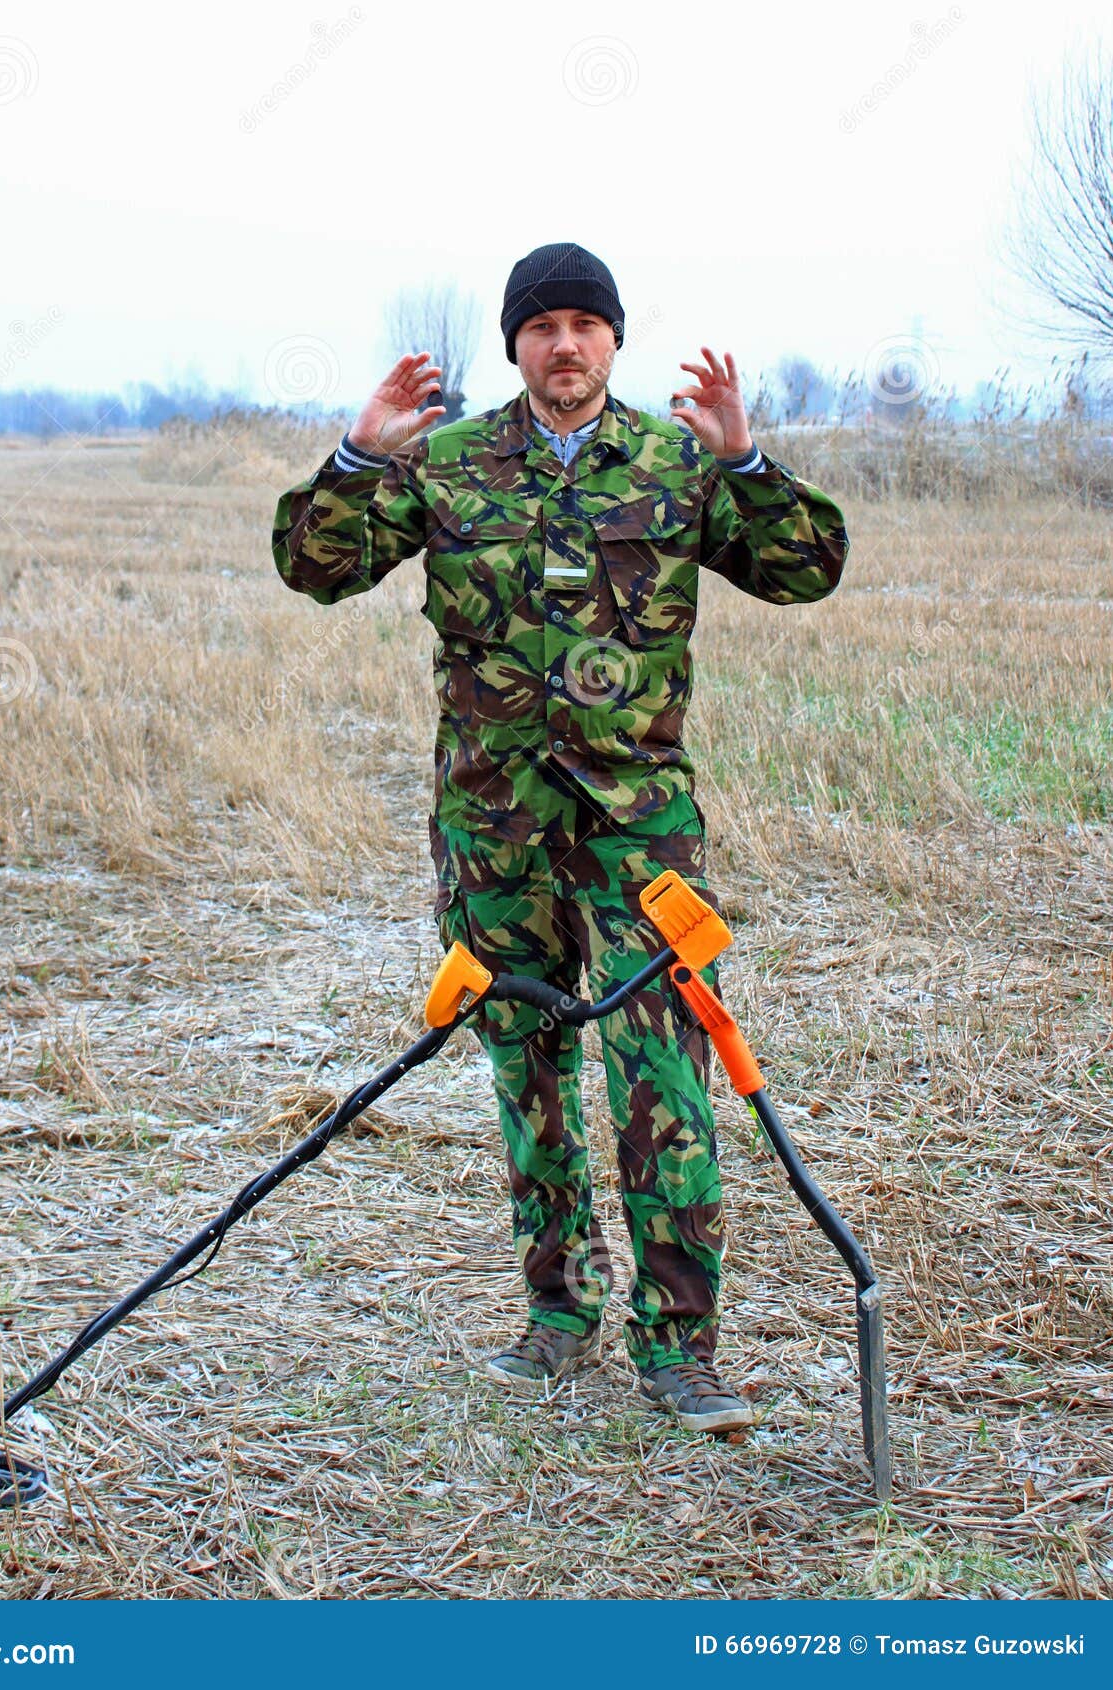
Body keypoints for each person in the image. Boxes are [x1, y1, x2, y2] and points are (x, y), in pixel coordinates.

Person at [270, 242, 849, 1433]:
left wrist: (742, 456)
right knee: (526, 1073)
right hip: (496, 832)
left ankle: (679, 1346)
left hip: (640, 837)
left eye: (585, 324)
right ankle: (557, 1315)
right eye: (542, 327)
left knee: (663, 1077)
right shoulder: (448, 463)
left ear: (614, 341)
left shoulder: (676, 463)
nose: (565, 345)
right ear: (515, 345)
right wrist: (354, 455)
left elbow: (806, 571)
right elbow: (312, 567)